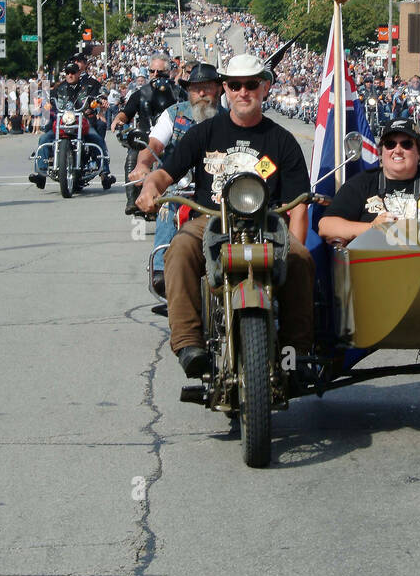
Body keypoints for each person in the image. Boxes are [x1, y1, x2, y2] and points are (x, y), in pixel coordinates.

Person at [135, 55, 314, 380]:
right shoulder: (203, 133)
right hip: (211, 220)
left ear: (264, 88)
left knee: (301, 258)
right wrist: (150, 187)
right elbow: (164, 174)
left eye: (251, 84)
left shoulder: (283, 141)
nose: (243, 92)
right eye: (235, 85)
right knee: (178, 249)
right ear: (226, 89)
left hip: (266, 224)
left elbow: (298, 205)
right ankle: (189, 343)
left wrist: (293, 246)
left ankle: (295, 353)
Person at [128, 64, 226, 301]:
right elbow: (154, 145)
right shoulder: (173, 115)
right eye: (195, 88)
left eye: (207, 87)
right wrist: (143, 165)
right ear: (188, 91)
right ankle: (161, 270)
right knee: (169, 205)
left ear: (219, 90)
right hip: (180, 184)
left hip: (218, 188)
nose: (201, 93)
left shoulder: (229, 119)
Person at [318, 118, 420, 243]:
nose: (397, 150)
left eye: (406, 144)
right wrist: (372, 228)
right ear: (382, 151)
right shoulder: (363, 182)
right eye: (390, 144)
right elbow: (326, 226)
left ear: (418, 151)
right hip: (373, 266)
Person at [113, 52, 187, 214]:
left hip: (172, 138)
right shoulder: (140, 93)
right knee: (132, 157)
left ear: (168, 72)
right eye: (152, 71)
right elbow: (127, 112)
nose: (155, 75)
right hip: (145, 138)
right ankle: (132, 200)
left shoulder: (179, 92)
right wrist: (118, 119)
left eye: (160, 72)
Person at [29, 62, 115, 187]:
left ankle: (104, 174)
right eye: (67, 73)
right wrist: (44, 100)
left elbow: (98, 94)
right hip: (62, 123)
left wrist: (100, 99)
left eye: (73, 72)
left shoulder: (86, 86)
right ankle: (41, 174)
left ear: (79, 73)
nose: (70, 75)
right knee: (44, 139)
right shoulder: (60, 88)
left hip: (82, 122)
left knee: (97, 139)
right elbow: (49, 97)